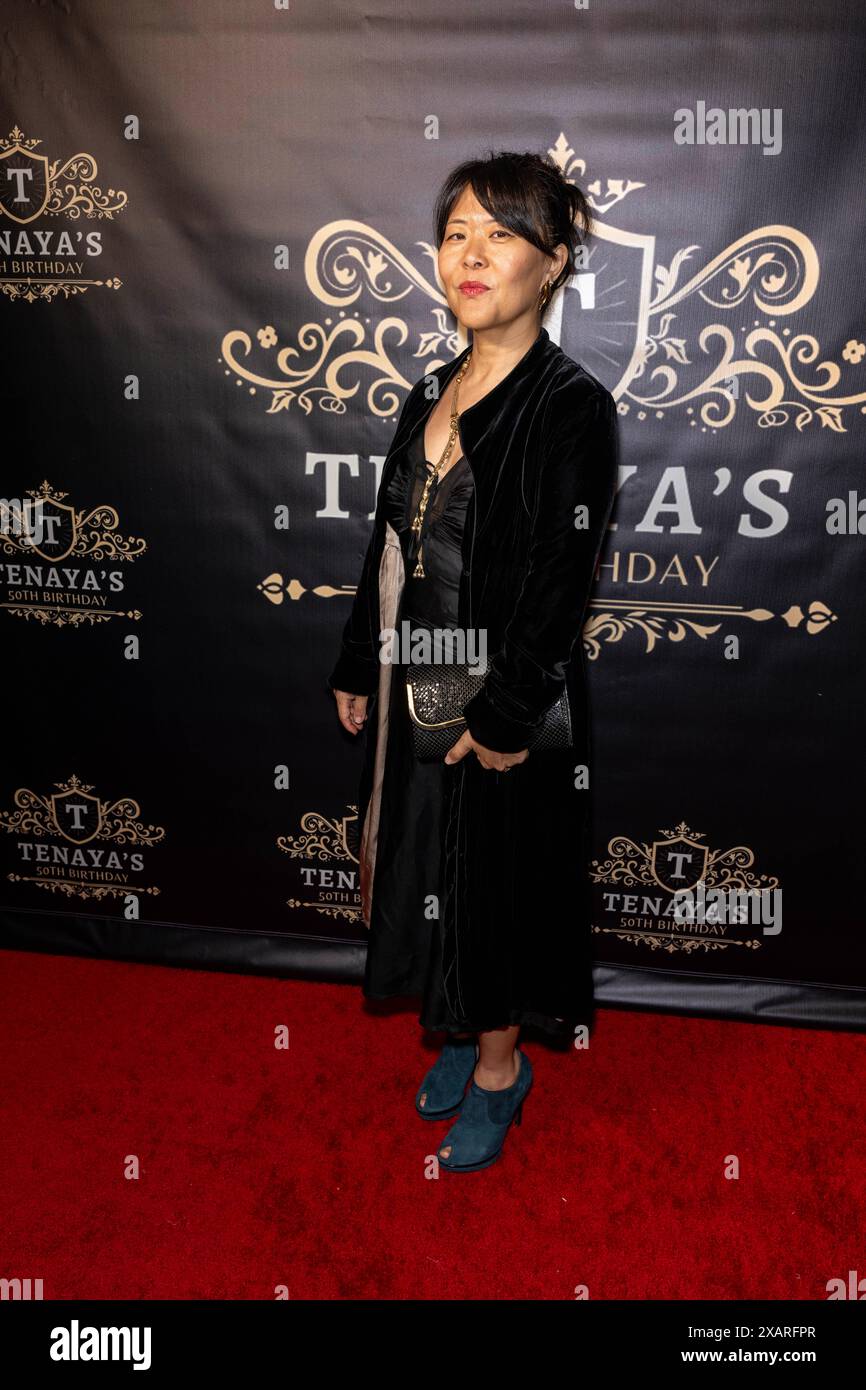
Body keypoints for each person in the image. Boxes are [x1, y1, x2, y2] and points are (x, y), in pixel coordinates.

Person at [327, 149, 618, 1172]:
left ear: (551, 265)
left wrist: (500, 719)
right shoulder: (427, 390)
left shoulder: (567, 404)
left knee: (491, 877)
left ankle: (501, 1067)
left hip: (503, 684)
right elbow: (388, 545)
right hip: (422, 663)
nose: (472, 253)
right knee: (425, 859)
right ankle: (454, 1023)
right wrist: (361, 661)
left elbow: (557, 581)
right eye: (455, 233)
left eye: (501, 233)